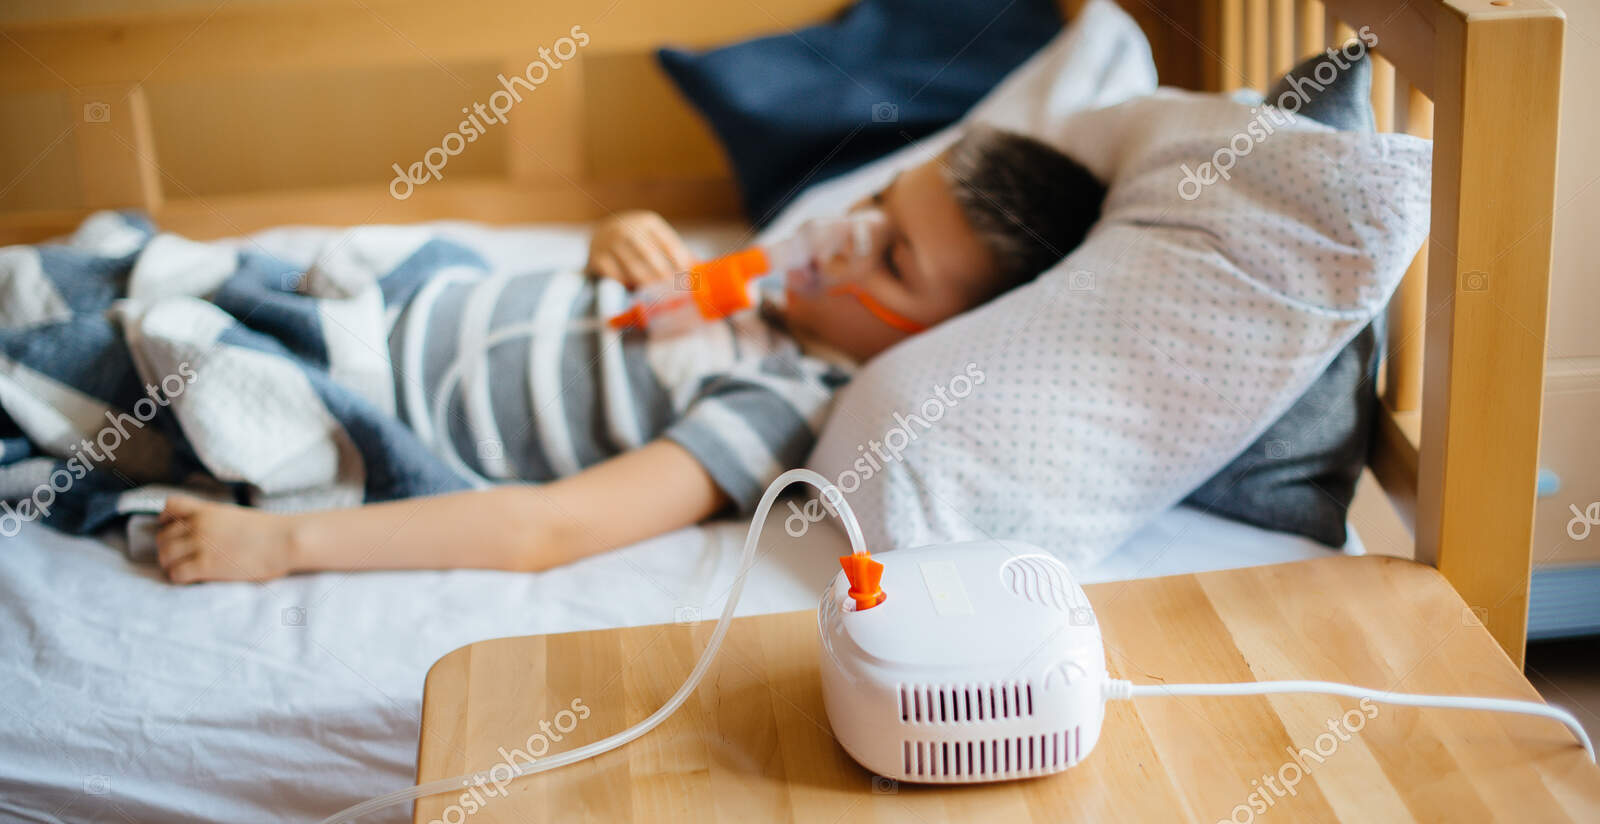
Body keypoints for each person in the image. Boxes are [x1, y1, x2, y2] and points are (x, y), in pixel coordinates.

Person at [154, 127, 1106, 582]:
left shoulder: (781, 403)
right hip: (372, 303)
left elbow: (548, 530)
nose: (846, 239)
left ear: (943, 339)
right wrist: (616, 237)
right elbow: (599, 308)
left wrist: (283, 545)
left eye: (894, 261)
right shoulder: (745, 289)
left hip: (359, 391)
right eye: (880, 203)